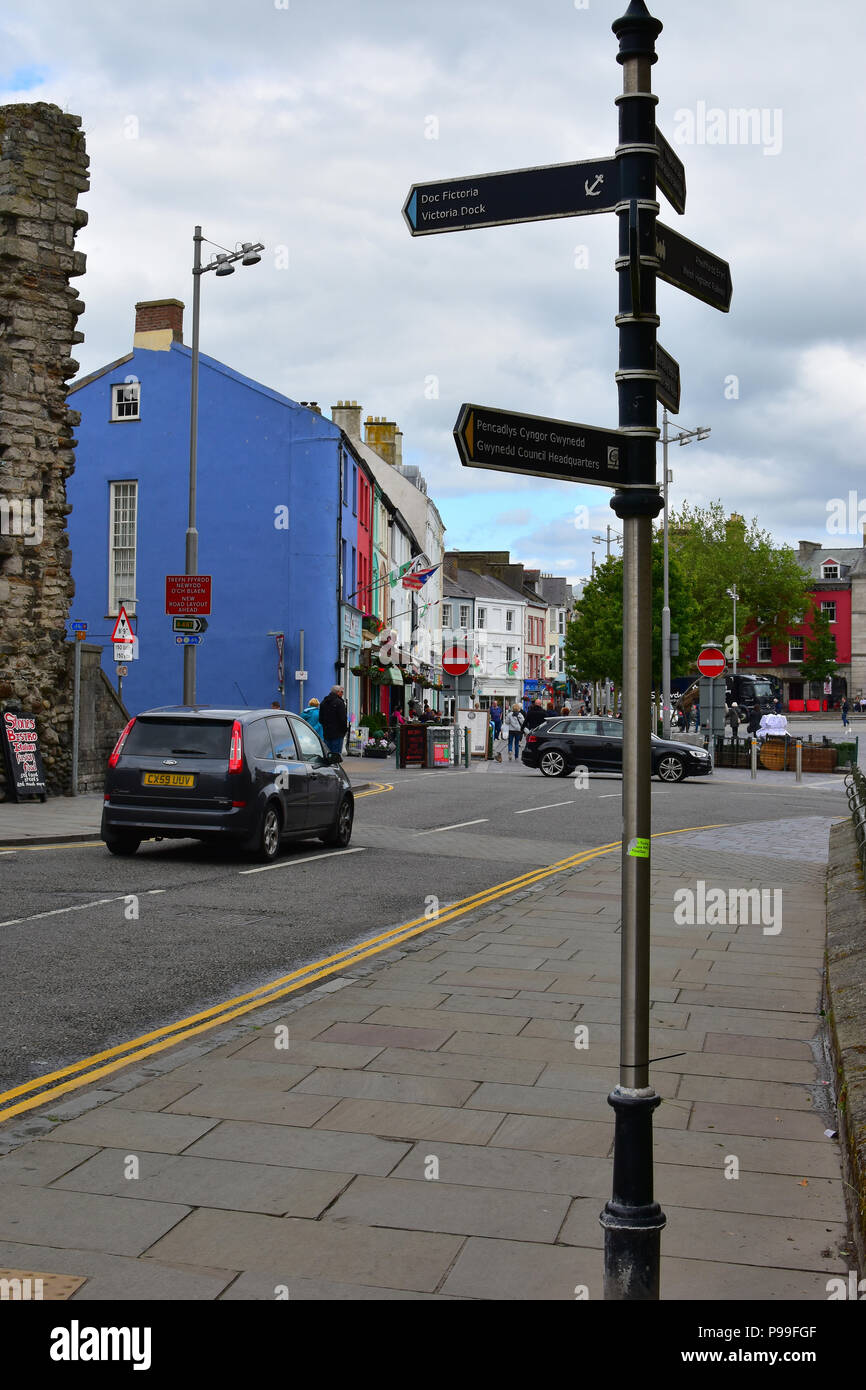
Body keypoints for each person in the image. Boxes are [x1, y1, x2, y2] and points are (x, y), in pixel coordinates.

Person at [319, 684, 349, 758]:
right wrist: (344, 730)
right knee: (336, 755)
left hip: (327, 733)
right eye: (342, 692)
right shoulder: (340, 703)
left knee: (328, 754)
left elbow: (320, 719)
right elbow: (343, 719)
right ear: (337, 692)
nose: (342, 694)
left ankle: (328, 767)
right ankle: (335, 768)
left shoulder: (323, 702)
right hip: (338, 734)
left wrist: (326, 726)